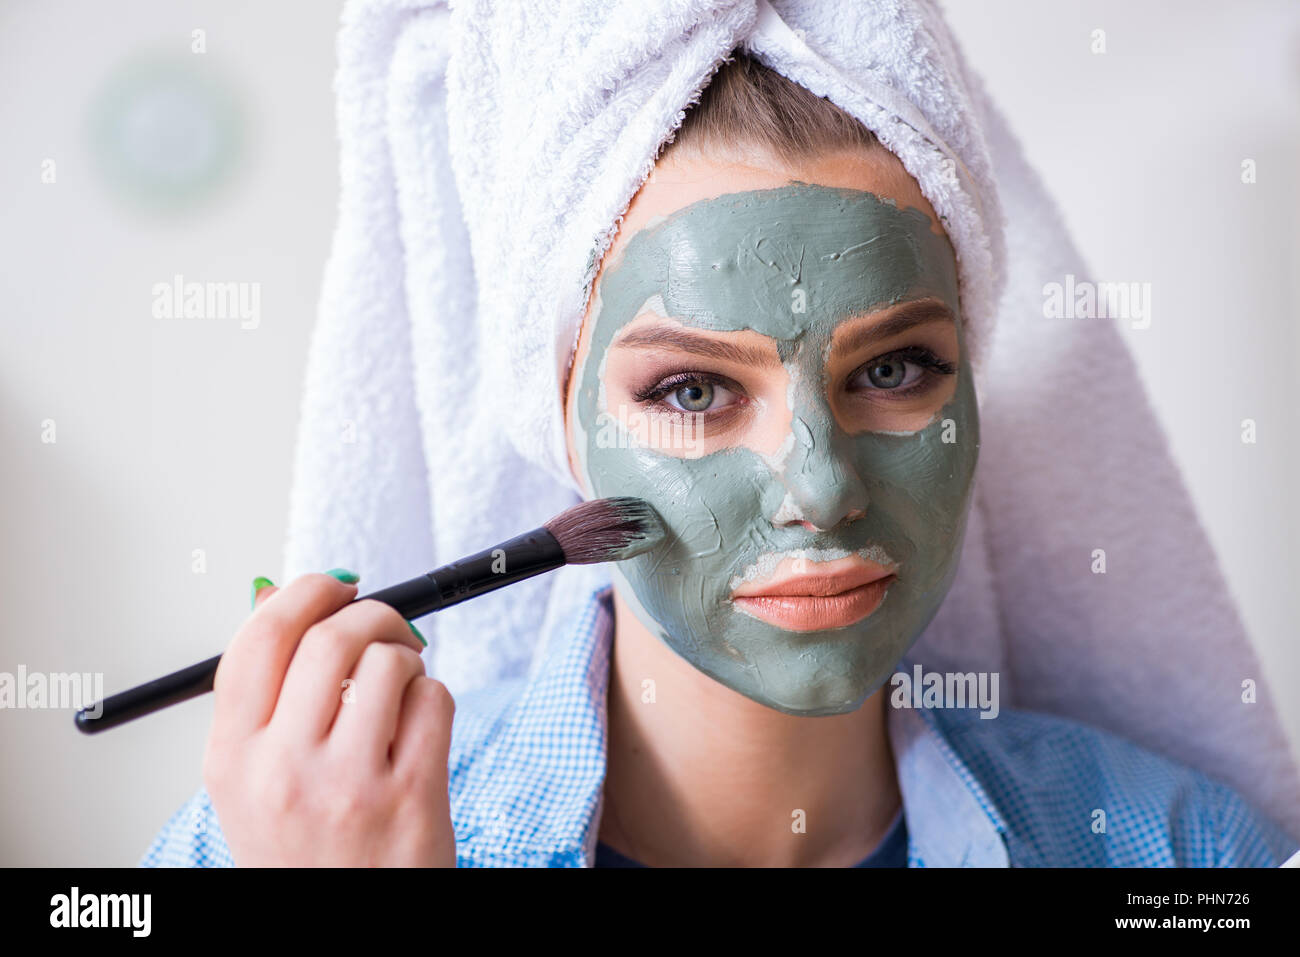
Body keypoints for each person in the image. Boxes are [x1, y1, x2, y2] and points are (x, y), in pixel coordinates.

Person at [142, 53, 1299, 868]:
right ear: (560, 423)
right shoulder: (268, 847)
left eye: (894, 370)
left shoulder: (1176, 854)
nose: (820, 486)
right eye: (691, 390)